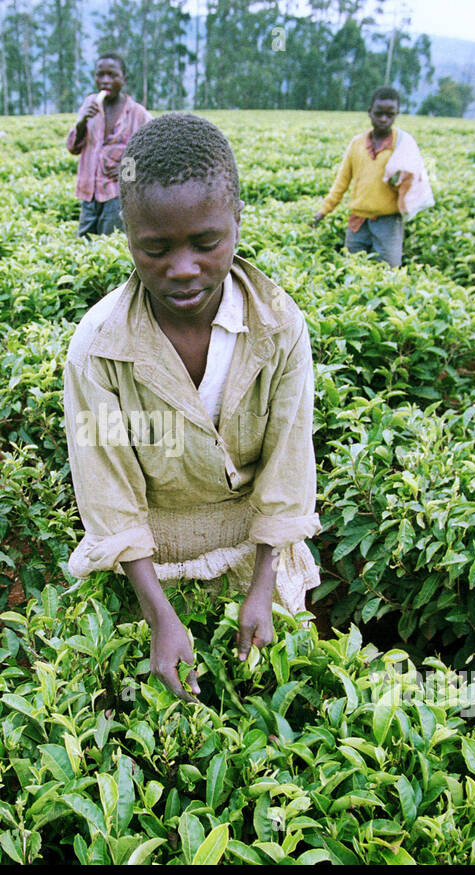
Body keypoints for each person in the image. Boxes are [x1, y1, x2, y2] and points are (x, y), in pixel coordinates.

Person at [63, 113, 320, 701]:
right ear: (126, 233)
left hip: (257, 549)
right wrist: (159, 616)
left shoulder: (279, 327)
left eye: (206, 243)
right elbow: (109, 493)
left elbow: (287, 461)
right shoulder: (98, 349)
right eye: (156, 248)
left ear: (236, 221)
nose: (183, 269)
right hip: (149, 567)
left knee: (269, 700)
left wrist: (263, 585)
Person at [311, 86, 433, 268]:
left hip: (388, 223)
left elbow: (414, 181)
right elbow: (341, 182)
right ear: (370, 113)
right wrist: (323, 211)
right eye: (379, 113)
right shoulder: (357, 144)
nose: (384, 119)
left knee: (388, 273)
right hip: (358, 222)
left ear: (396, 114)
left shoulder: (402, 145)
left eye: (390, 114)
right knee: (351, 269)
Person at [65, 54, 152, 237]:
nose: (105, 81)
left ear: (124, 79)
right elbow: (73, 147)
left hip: (116, 193)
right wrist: (82, 122)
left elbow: (153, 150)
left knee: (109, 242)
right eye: (100, 75)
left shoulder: (137, 113)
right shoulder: (90, 104)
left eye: (112, 75)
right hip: (88, 192)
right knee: (84, 243)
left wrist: (127, 168)